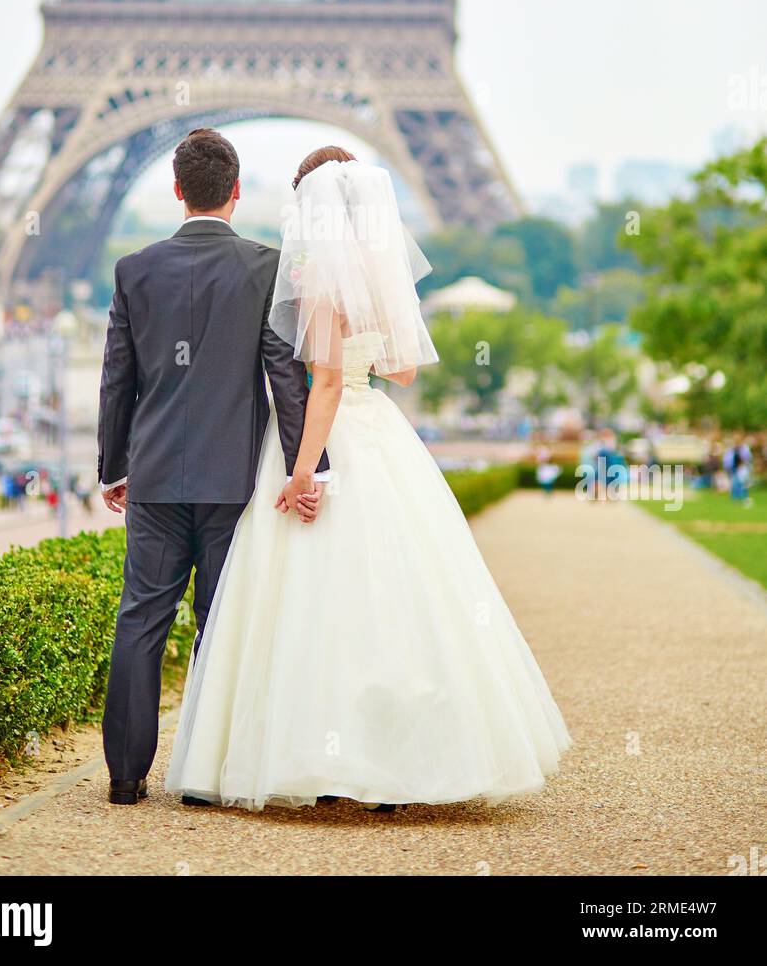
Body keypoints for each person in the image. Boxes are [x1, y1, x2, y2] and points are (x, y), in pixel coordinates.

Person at [166, 148, 571, 810]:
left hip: (330, 436)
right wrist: (364, 352)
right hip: (379, 428)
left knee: (309, 603)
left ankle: (320, 760)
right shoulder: (384, 279)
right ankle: (397, 765)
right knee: (394, 599)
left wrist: (303, 472)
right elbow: (405, 372)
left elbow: (322, 384)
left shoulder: (320, 278)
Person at [97, 129, 328, 806]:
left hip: (157, 477)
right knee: (221, 621)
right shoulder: (264, 266)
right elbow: (285, 379)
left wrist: (115, 467)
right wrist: (308, 467)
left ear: (176, 191)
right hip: (234, 478)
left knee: (141, 619)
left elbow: (117, 380)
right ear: (234, 193)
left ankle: (125, 777)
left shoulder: (133, 270)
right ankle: (204, 776)